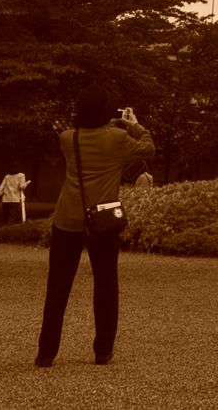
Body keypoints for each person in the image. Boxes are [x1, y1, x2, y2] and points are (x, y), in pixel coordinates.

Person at [35, 84, 154, 369]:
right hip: (101, 220)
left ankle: (46, 353)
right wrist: (133, 125)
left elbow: (91, 134)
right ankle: (102, 350)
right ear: (105, 111)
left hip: (67, 219)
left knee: (58, 287)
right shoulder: (117, 139)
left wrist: (113, 124)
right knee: (105, 285)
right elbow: (147, 148)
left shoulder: (67, 138)